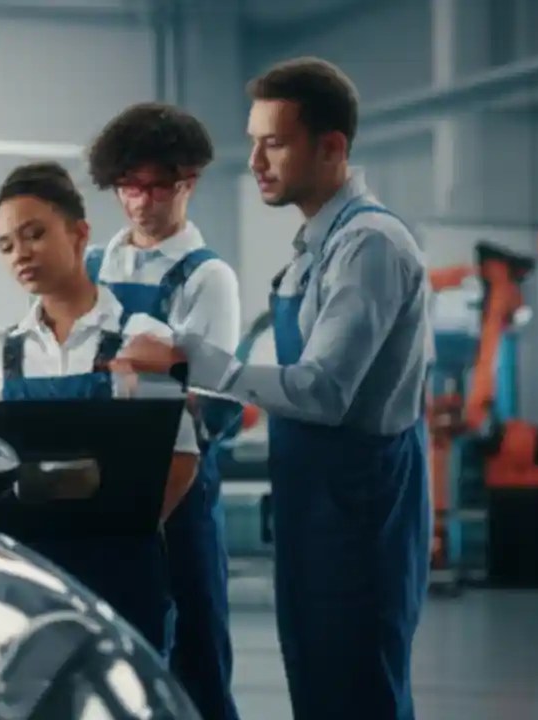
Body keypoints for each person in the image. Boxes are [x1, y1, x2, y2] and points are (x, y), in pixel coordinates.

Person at [112, 57, 433, 720]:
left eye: (275, 142)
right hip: (316, 498)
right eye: (254, 140)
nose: (255, 159)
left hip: (360, 504)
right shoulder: (317, 244)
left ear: (332, 146)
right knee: (319, 684)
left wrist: (187, 358)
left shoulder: (369, 246)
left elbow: (322, 391)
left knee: (357, 690)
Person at [0, 161, 200, 652]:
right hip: (28, 573)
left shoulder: (143, 339)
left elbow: (181, 458)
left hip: (121, 571)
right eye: (7, 245)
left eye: (35, 234)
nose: (20, 254)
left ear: (79, 234)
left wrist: (125, 528)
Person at [84, 101, 242, 720]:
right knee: (110, 650)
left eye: (157, 186)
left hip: (181, 486)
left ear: (189, 182)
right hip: (100, 483)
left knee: (197, 649)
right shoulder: (94, 264)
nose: (142, 201)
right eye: (129, 186)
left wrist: (152, 374)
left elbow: (214, 406)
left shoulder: (208, 279)